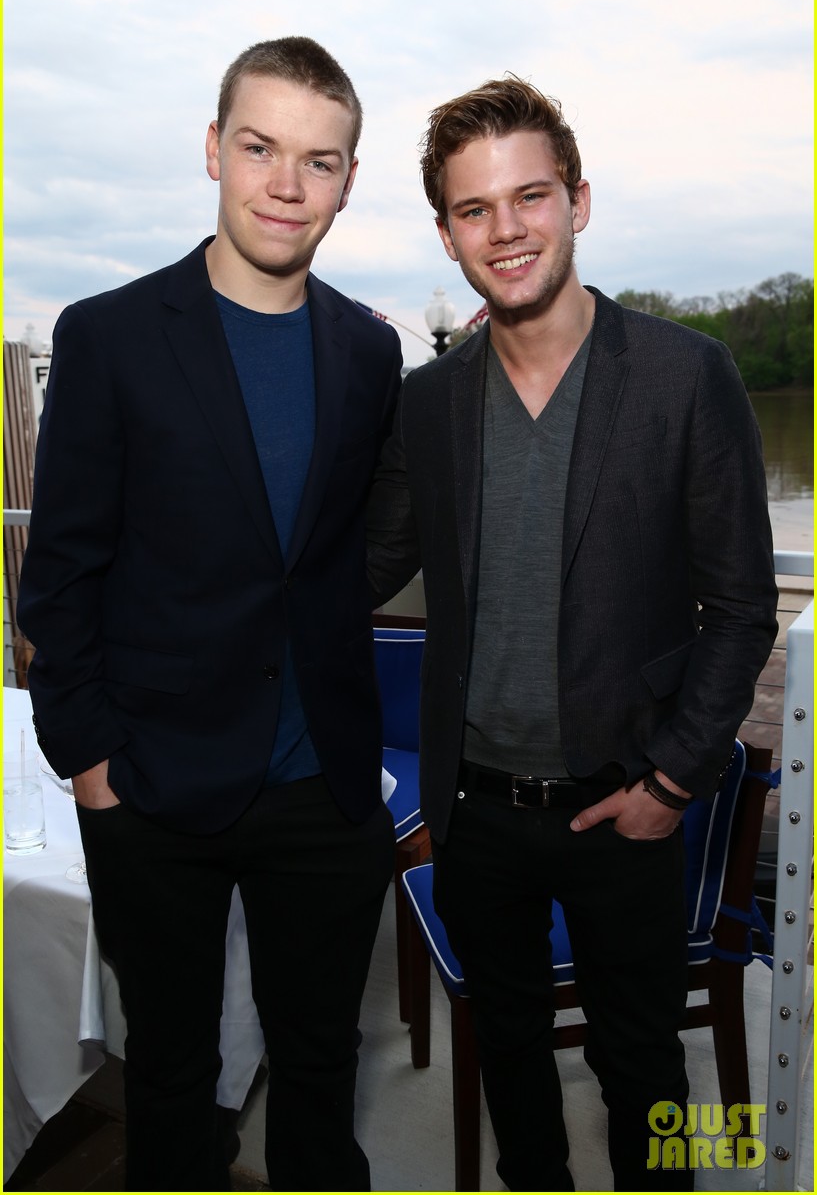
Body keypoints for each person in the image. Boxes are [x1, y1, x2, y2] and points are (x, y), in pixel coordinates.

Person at [366, 76, 778, 1191]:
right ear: (447, 232)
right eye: (472, 209)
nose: (505, 231)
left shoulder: (690, 375)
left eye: (529, 196)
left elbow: (739, 607)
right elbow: (359, 566)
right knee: (507, 1055)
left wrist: (672, 782)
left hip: (628, 807)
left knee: (646, 1066)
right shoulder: (431, 401)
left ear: (578, 201)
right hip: (476, 813)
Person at [18, 37, 403, 1192]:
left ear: (345, 178)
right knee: (174, 1085)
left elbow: (339, 555)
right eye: (260, 147)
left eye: (319, 159)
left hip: (321, 788)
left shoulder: (369, 348)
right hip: (153, 784)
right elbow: (62, 568)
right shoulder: (110, 334)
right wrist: (88, 759)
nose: (287, 184)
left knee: (320, 1077)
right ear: (213, 151)